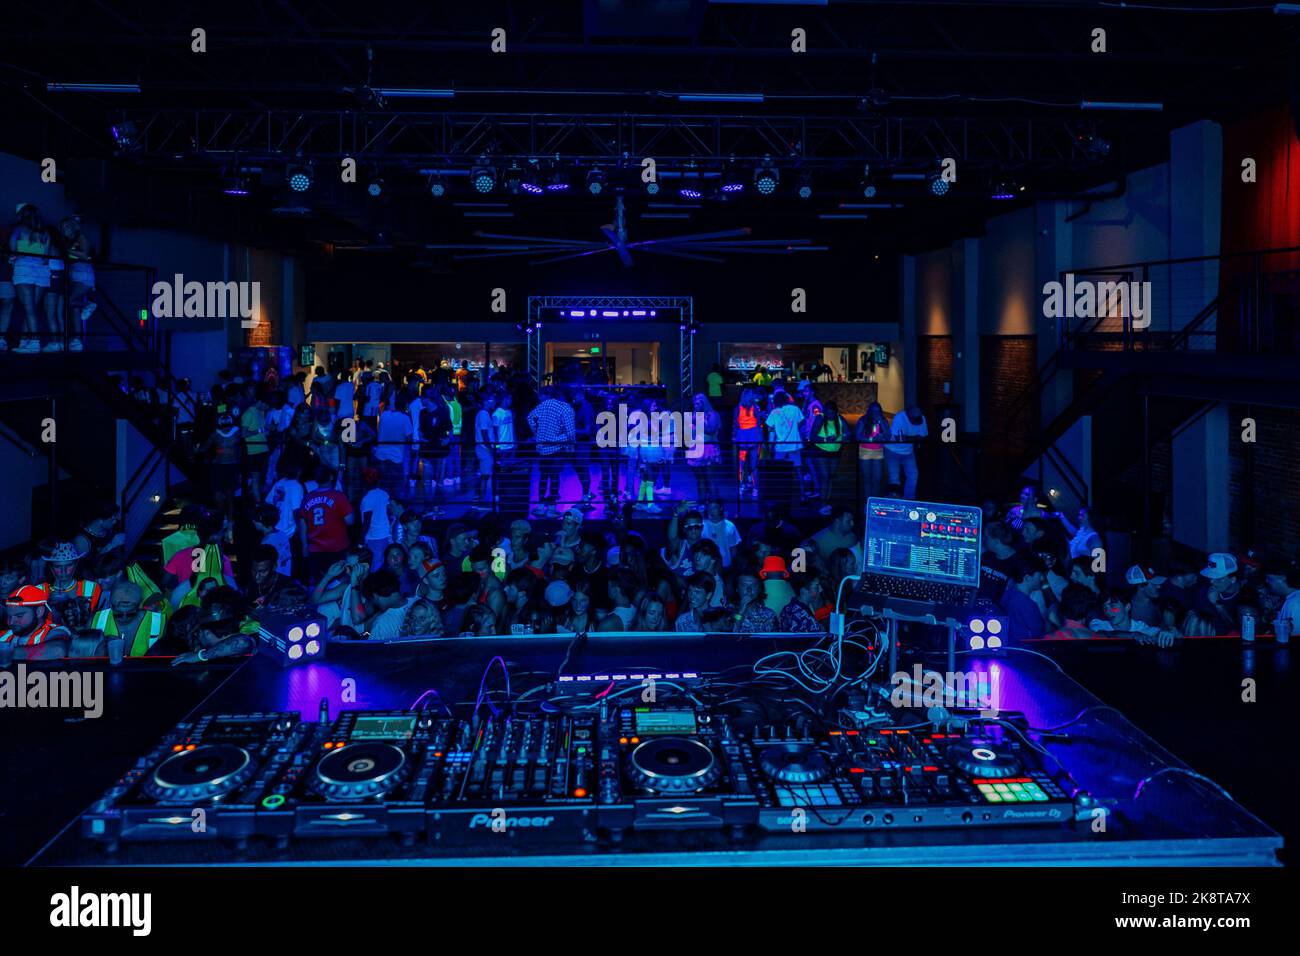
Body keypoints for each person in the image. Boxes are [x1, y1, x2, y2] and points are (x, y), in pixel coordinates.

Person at [295, 465, 355, 582]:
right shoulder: (339, 496)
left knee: (319, 584)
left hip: (315, 549)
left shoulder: (307, 498)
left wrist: (304, 546)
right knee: (338, 583)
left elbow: (302, 525)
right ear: (331, 477)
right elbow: (350, 521)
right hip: (337, 548)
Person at [7, 203, 53, 353]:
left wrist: (14, 257)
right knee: (32, 308)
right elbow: (46, 259)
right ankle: (24, 342)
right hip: (42, 271)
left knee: (28, 309)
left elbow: (13, 252)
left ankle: (34, 342)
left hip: (24, 269)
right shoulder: (46, 233)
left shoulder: (19, 229)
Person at [528, 386, 576, 518]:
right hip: (556, 448)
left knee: (543, 477)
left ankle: (540, 506)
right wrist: (563, 439)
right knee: (554, 478)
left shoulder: (543, 405)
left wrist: (537, 433)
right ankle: (551, 508)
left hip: (542, 448)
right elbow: (571, 432)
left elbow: (530, 418)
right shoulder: (565, 408)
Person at [39, 541, 104, 629]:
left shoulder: (92, 588)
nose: (63, 571)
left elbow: (97, 620)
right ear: (50, 567)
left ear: (76, 564)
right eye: (58, 566)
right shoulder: (39, 591)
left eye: (69, 565)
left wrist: (67, 602)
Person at [2, 585, 74, 655]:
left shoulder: (55, 632)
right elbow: (22, 667)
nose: (11, 622)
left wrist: (5, 653)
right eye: (9, 616)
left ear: (39, 612)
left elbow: (58, 650)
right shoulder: (5, 635)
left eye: (19, 616)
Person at [1193, 552, 1243, 635]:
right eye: (1211, 577)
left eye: (1218, 579)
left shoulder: (1245, 597)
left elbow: (1238, 630)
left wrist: (1217, 604)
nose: (1212, 582)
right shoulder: (1204, 592)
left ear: (1233, 579)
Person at [1000, 557, 1048, 641]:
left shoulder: (1007, 594)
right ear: (1027, 577)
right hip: (1025, 649)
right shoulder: (1028, 605)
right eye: (1040, 575)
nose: (1042, 579)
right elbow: (1039, 634)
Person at [245, 545, 307, 610]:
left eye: (262, 571)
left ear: (274, 567)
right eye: (254, 570)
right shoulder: (250, 587)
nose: (257, 576)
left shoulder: (289, 586)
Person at [885, 404, 927, 499]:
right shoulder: (900, 417)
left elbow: (923, 437)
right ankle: (895, 501)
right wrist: (915, 438)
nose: (916, 422)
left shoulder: (922, 418)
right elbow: (898, 438)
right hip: (892, 450)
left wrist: (907, 438)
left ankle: (909, 500)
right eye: (914, 420)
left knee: (913, 475)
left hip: (908, 452)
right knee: (894, 478)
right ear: (909, 417)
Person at [688, 393, 723, 503]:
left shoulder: (712, 414)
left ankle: (714, 506)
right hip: (695, 449)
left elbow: (711, 429)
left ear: (704, 402)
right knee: (700, 479)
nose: (696, 405)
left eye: (698, 402)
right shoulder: (694, 415)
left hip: (708, 449)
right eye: (695, 403)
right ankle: (702, 504)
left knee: (710, 479)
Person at [359, 468, 395, 570]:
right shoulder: (384, 494)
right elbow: (389, 512)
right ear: (378, 480)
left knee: (375, 567)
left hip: (374, 537)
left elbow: (366, 521)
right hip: (385, 534)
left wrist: (361, 540)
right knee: (385, 564)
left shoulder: (367, 499)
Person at [855, 402, 889, 499]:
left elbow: (888, 436)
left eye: (878, 411)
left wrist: (882, 423)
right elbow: (857, 436)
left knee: (877, 479)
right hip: (865, 450)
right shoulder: (863, 420)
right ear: (869, 411)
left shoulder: (882, 420)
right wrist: (871, 439)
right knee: (867, 478)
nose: (876, 413)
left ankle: (875, 501)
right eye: (874, 410)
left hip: (878, 451)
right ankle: (867, 500)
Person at [734, 387, 763, 498]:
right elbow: (759, 424)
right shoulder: (754, 408)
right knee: (751, 464)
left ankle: (745, 485)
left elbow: (736, 424)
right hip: (751, 437)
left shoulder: (741, 408)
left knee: (744, 464)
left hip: (745, 437)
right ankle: (753, 487)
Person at [253, 504, 293, 576]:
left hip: (275, 582)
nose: (253, 521)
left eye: (255, 518)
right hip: (286, 577)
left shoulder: (266, 542)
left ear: (260, 518)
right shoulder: (283, 535)